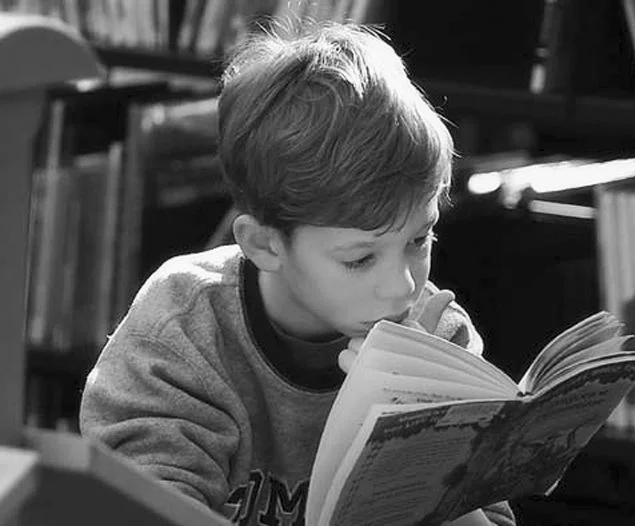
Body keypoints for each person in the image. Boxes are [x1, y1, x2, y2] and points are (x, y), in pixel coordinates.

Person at [79, 19, 515, 526]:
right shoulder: (184, 328)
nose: (403, 286)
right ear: (265, 244)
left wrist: (427, 439)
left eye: (419, 240)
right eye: (359, 259)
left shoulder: (439, 343)